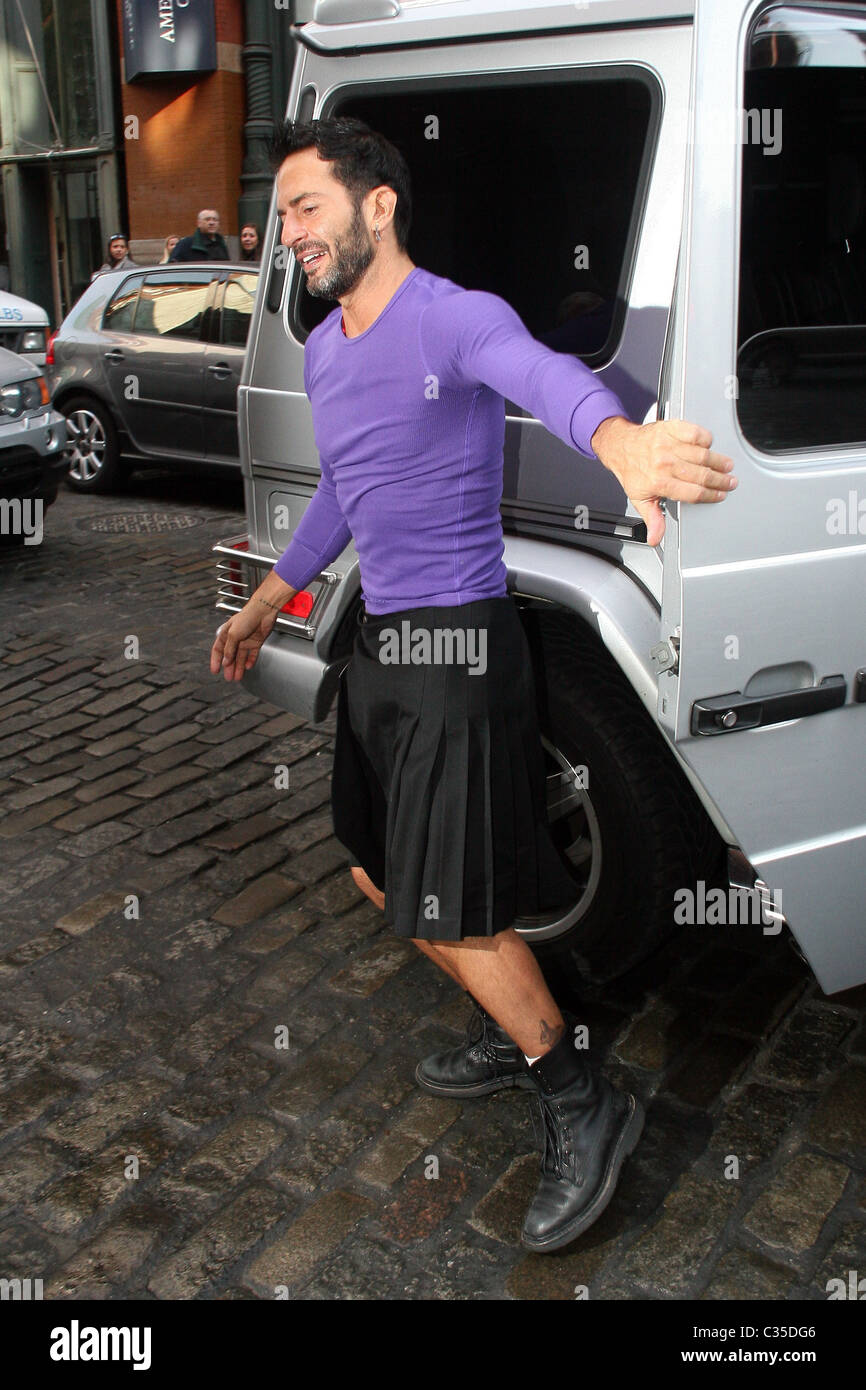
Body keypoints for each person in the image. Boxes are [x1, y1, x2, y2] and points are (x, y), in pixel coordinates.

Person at [209, 117, 738, 1253]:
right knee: (374, 867)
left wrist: (620, 442)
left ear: (378, 206)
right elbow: (346, 491)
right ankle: (517, 1020)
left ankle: (579, 1096)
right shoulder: (326, 346)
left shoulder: (452, 316)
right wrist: (268, 598)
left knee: (445, 900)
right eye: (279, 212)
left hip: (461, 647)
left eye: (305, 207)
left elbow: (541, 377)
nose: (284, 231)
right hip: (383, 651)